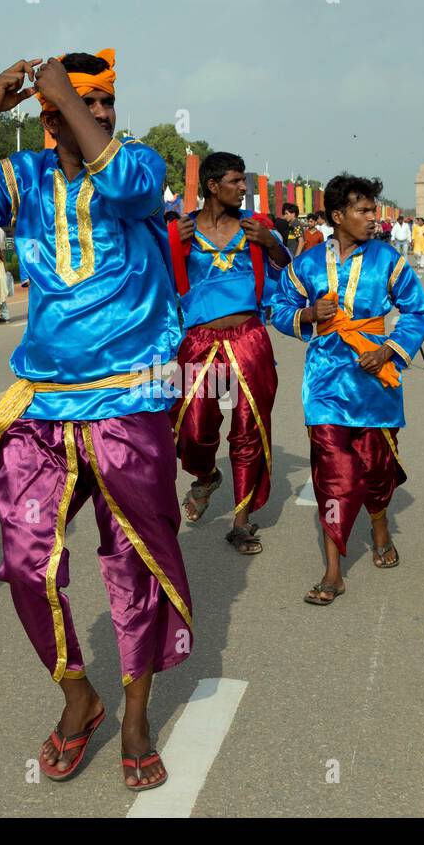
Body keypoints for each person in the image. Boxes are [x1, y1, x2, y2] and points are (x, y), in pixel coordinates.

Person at [0, 50, 192, 791]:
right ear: (45, 118)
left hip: (130, 399)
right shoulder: (23, 179)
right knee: (24, 562)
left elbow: (129, 183)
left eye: (104, 102)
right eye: (82, 103)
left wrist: (65, 93)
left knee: (138, 567)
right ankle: (81, 697)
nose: (98, 113)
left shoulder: (137, 169)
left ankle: (137, 717)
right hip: (42, 403)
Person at [270, 173, 424, 604]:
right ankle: (333, 569)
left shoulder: (388, 260)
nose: (373, 218)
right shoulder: (305, 263)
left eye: (374, 210)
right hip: (324, 382)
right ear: (338, 215)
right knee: (332, 474)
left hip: (375, 381)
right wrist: (306, 314)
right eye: (363, 211)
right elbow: (277, 307)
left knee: (377, 469)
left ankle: (379, 522)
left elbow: (418, 311)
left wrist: (389, 351)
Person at [170, 151, 290, 554]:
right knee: (193, 426)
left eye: (244, 181)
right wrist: (172, 247)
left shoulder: (255, 230)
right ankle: (205, 476)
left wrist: (273, 245)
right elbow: (158, 284)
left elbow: (287, 278)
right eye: (236, 181)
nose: (243, 188)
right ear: (212, 185)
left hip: (249, 336)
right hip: (198, 341)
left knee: (249, 425)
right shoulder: (179, 231)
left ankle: (241, 520)